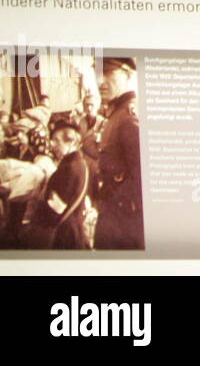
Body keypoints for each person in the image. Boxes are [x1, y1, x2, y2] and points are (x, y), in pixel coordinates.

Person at [94, 57, 144, 249]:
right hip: (112, 218)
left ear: (127, 74)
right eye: (97, 73)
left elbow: (142, 181)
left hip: (126, 226)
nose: (100, 81)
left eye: (107, 72)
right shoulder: (115, 114)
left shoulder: (128, 117)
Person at [27, 119, 91, 249]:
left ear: (71, 142)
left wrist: (35, 224)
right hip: (73, 232)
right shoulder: (79, 163)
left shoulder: (69, 168)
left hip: (65, 236)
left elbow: (55, 208)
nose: (52, 144)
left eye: (57, 140)